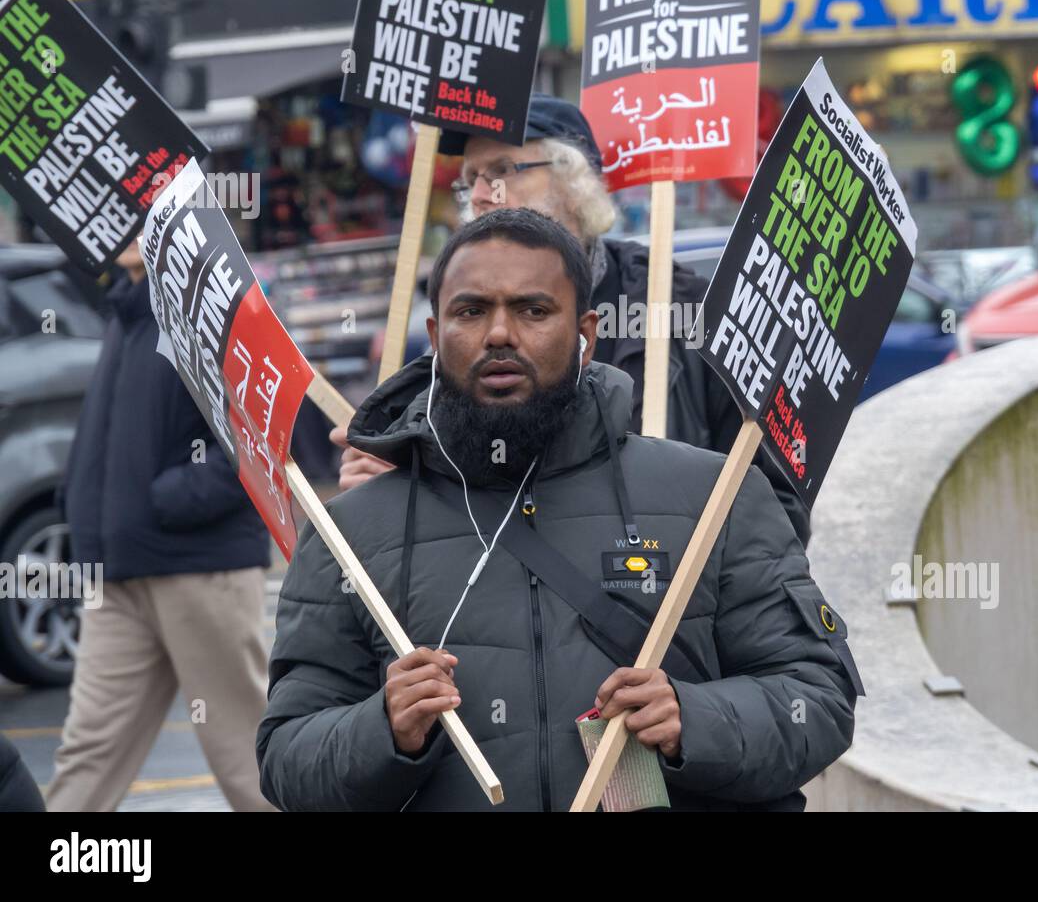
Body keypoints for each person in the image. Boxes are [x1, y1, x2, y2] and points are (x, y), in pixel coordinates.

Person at [258, 209, 861, 812]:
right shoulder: (349, 534)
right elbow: (287, 759)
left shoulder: (715, 495)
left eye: (533, 310)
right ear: (436, 333)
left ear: (587, 334)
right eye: (471, 311)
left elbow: (816, 698)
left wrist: (692, 719)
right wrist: (383, 729)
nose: (499, 334)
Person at [332, 93, 811, 545]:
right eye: (469, 178)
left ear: (573, 182)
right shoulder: (455, 331)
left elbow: (775, 506)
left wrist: (696, 576)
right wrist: (392, 489)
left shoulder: (681, 307)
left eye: (502, 170)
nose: (479, 195)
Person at [46, 241, 274, 812]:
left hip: (200, 569)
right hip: (119, 572)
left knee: (248, 757)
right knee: (88, 753)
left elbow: (256, 435)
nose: (120, 223)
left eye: (139, 207)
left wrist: (165, 501)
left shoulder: (211, 306)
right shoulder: (129, 309)